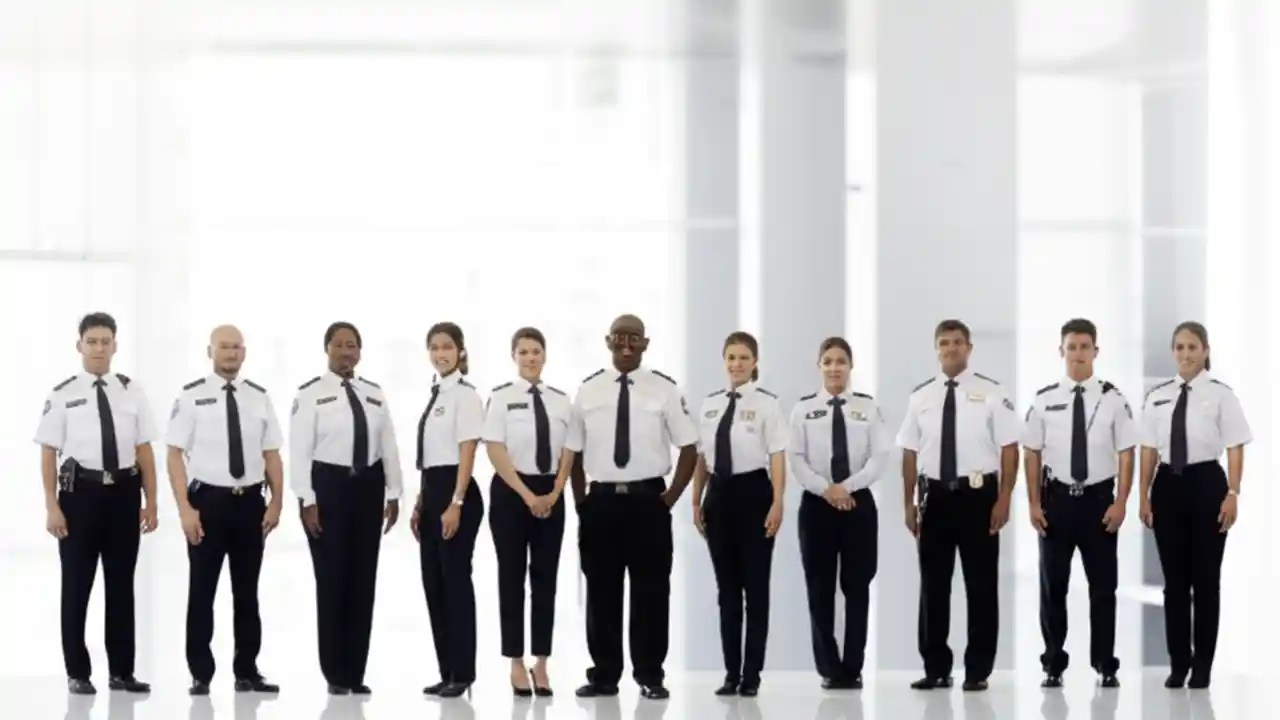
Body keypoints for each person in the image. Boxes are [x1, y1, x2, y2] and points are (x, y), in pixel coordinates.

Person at [563, 314, 699, 700]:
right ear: (608, 341)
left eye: (635, 338)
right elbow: (573, 450)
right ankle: (604, 675)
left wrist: (669, 499)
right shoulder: (588, 391)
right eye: (620, 338)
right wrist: (581, 502)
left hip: (648, 503)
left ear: (645, 344)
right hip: (601, 503)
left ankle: (650, 675)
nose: (627, 344)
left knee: (651, 592)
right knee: (601, 592)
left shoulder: (665, 390)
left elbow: (689, 447)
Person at [36, 311, 158, 695]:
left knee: (121, 586)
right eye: (92, 341)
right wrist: (51, 505)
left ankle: (122, 671)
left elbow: (144, 451)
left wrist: (151, 502)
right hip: (80, 498)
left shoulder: (131, 391)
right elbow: (48, 452)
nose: (99, 348)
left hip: (124, 495)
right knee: (77, 586)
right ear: (80, 345)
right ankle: (78, 672)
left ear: (115, 345)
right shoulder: (63, 393)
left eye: (106, 341)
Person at [899, 319, 1020, 692]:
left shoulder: (992, 392)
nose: (951, 348)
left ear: (969, 347)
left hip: (978, 497)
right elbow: (909, 450)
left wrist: (1004, 499)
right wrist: (908, 502)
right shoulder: (921, 396)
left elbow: (1009, 448)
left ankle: (978, 670)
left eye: (957, 342)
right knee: (933, 586)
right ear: (936, 349)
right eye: (944, 343)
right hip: (934, 498)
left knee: (980, 585)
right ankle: (936, 667)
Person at [166, 325, 284, 695]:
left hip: (249, 502)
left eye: (237, 347)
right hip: (208, 503)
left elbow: (271, 454)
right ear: (210, 351)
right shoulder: (191, 397)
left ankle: (247, 670)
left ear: (244, 353)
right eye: (224, 347)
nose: (231, 353)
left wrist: (277, 501)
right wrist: (185, 508)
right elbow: (173, 454)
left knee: (247, 591)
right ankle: (201, 672)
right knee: (202, 589)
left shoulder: (259, 397)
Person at [1022, 318, 1135, 689]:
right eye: (1071, 347)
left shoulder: (1114, 399)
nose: (1078, 354)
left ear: (1096, 351)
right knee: (1053, 587)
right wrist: (1034, 504)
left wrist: (1121, 503)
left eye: (1085, 346)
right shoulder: (1044, 399)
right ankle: (1053, 662)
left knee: (1103, 588)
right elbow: (1032, 454)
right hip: (1056, 502)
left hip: (1099, 502)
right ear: (1061, 351)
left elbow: (1126, 453)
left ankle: (1105, 664)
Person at [290, 321, 402, 696]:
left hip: (368, 487)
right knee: (333, 578)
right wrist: (306, 499)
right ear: (327, 349)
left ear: (359, 352)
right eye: (339, 345)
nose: (346, 351)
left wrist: (394, 492)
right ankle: (334, 672)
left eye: (352, 345)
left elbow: (388, 442)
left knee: (363, 580)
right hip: (328, 489)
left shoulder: (374, 393)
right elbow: (300, 450)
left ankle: (355, 671)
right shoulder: (310, 394)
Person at [1139, 321, 1251, 689]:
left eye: (1192, 347)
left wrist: (1232, 493)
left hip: (1207, 483)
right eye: (1179, 347)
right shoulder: (1157, 396)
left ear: (1204, 350)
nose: (1185, 354)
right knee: (1174, 584)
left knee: (1205, 581)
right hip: (1168, 485)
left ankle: (1202, 664)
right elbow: (1149, 449)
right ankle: (1178, 663)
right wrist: (1143, 493)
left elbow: (1235, 445)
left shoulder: (1221, 395)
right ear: (1173, 352)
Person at [787, 336, 889, 692]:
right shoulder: (802, 410)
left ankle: (853, 667)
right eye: (828, 361)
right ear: (819, 366)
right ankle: (829, 668)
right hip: (817, 506)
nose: (834, 368)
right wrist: (826, 489)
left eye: (841, 361)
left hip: (858, 504)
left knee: (857, 586)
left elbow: (879, 457)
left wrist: (847, 487)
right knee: (820, 588)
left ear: (850, 366)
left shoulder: (867, 408)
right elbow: (795, 458)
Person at [691, 331, 786, 697]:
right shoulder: (710, 405)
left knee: (755, 589)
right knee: (727, 591)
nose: (737, 364)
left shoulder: (767, 404)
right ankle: (732, 673)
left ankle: (752, 675)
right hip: (720, 495)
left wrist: (777, 502)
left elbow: (777, 456)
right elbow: (702, 457)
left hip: (754, 494)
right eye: (731, 357)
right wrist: (697, 500)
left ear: (755, 362)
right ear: (724, 361)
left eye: (744, 357)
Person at [482, 327, 571, 697]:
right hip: (510, 492)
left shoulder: (561, 400)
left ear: (545, 355)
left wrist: (554, 491)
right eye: (523, 352)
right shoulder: (501, 398)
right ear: (514, 357)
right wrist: (525, 493)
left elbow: (570, 449)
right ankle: (515, 662)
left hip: (551, 491)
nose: (530, 357)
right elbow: (494, 448)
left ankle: (542, 662)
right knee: (511, 578)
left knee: (546, 580)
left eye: (536, 351)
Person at [411, 322, 486, 699]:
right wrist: (422, 501)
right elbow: (431, 458)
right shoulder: (437, 393)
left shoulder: (465, 396)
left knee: (455, 583)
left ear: (460, 351)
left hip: (458, 495)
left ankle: (464, 672)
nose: (440, 353)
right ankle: (448, 671)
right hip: (433, 492)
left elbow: (467, 451)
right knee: (433, 585)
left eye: (447, 347)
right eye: (434, 347)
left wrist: (454, 503)